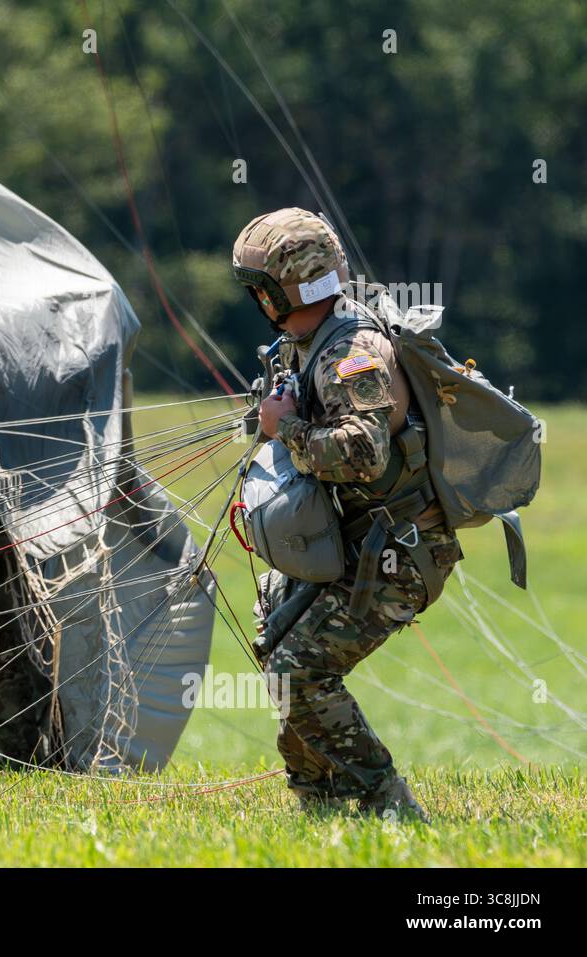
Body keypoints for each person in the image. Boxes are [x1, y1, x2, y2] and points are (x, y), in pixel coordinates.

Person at [231, 208, 463, 822]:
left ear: (279, 292)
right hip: (355, 538)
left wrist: (289, 431)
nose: (256, 300)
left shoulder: (350, 353)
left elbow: (362, 454)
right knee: (276, 639)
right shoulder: (307, 343)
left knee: (299, 670)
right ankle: (321, 796)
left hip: (400, 551)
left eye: (259, 288)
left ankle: (385, 800)